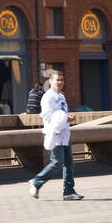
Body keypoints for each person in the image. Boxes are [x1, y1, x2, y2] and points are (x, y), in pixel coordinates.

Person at [29, 69, 81, 200]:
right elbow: (46, 115)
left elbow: (61, 112)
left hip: (65, 133)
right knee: (57, 162)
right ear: (50, 81)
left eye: (62, 80)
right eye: (57, 80)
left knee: (69, 163)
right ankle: (37, 181)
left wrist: (67, 118)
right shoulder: (48, 97)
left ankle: (69, 191)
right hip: (55, 133)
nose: (60, 82)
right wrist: (64, 118)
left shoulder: (61, 96)